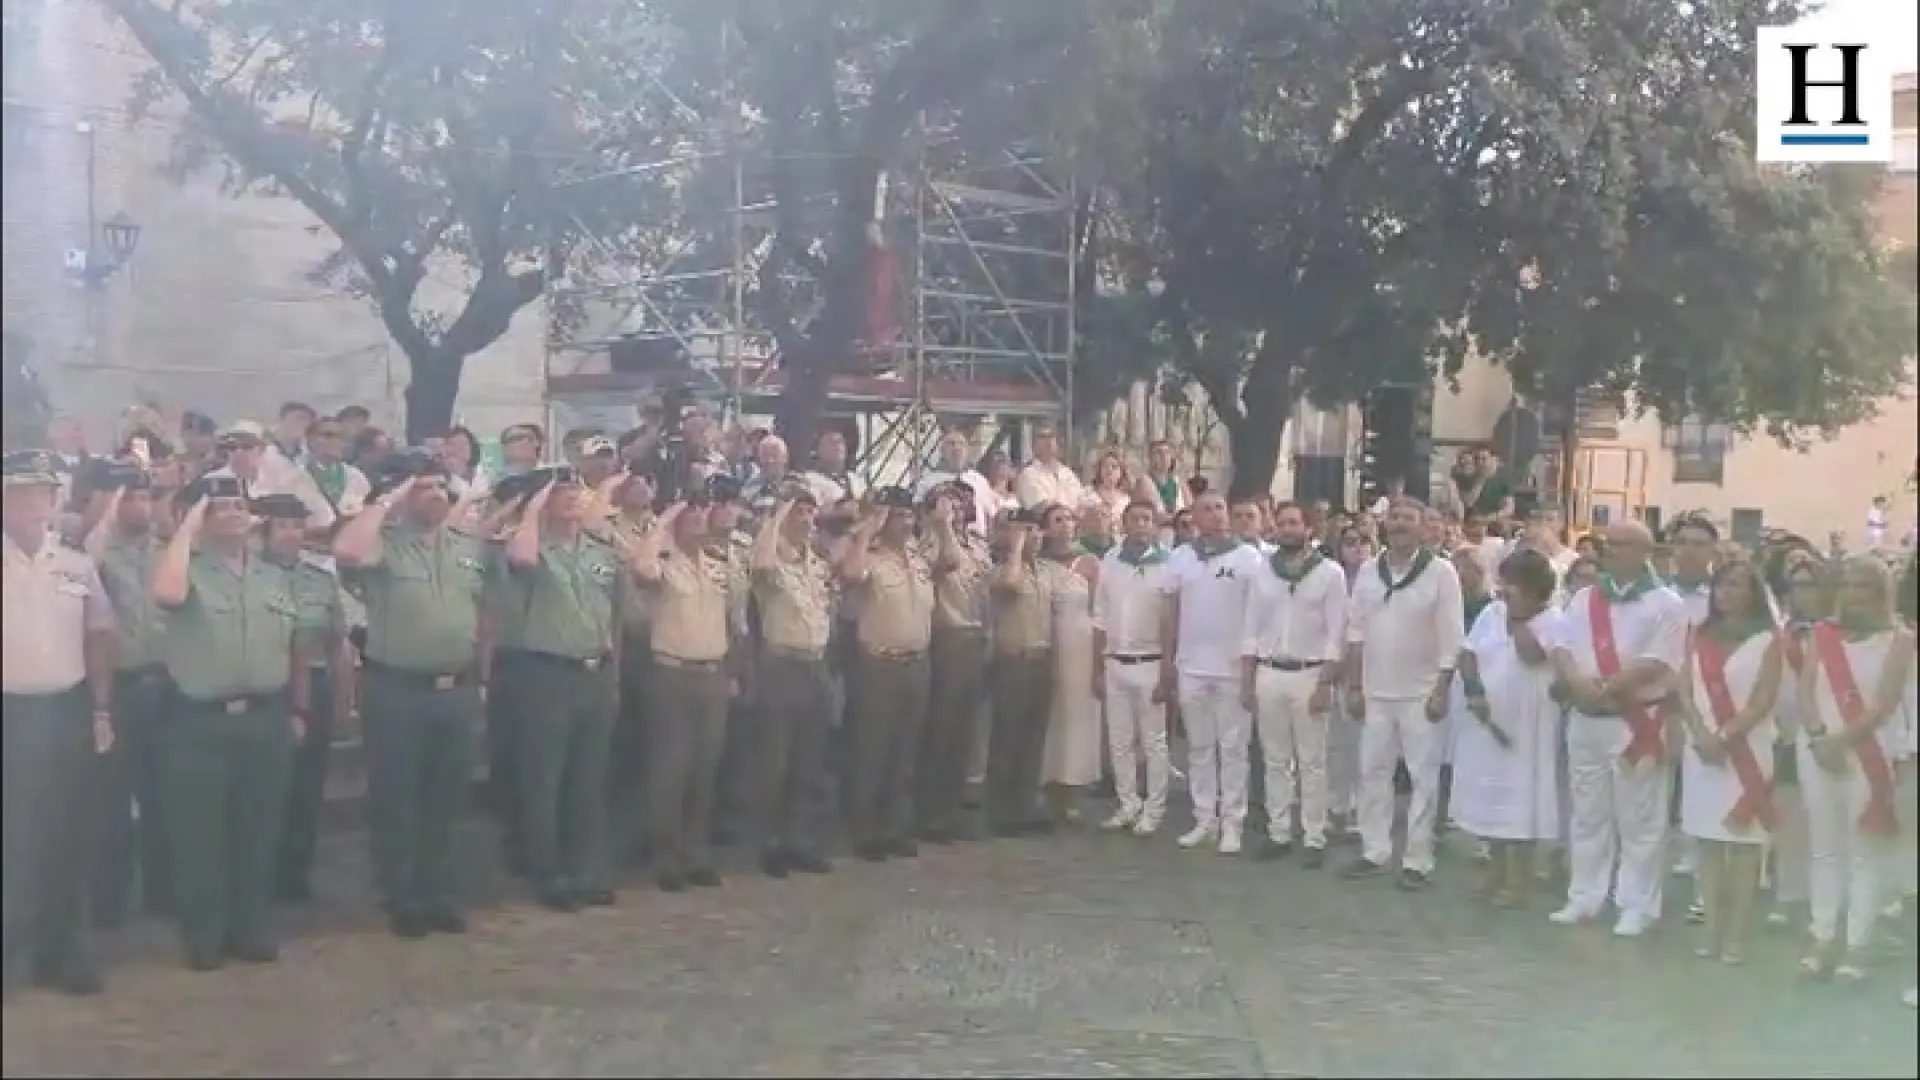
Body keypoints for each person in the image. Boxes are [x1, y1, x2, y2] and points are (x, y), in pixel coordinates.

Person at [149, 474, 321, 971]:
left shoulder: (274, 575)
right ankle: (203, 934)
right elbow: (166, 593)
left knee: (257, 829)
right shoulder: (187, 569)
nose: (232, 513)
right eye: (219, 506)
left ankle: (249, 927)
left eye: (238, 505)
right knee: (201, 834)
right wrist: (188, 527)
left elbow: (296, 647)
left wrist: (296, 707)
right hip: (200, 721)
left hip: (265, 715)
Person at [334, 460, 489, 938]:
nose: (437, 494)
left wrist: (481, 677)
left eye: (442, 486)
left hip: (455, 687)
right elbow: (347, 550)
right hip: (398, 688)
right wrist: (387, 500)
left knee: (446, 797)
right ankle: (402, 895)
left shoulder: (467, 547)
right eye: (424, 488)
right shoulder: (385, 546)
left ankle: (439, 892)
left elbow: (482, 614)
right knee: (398, 797)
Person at [2, 450, 116, 997]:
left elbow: (99, 633)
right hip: (9, 714)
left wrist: (100, 707)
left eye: (42, 493)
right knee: (12, 840)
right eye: (19, 493)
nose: (32, 504)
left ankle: (61, 951)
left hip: (67, 708)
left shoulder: (75, 562)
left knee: (68, 834)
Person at [1547, 520, 1688, 938]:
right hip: (1586, 719)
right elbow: (1562, 647)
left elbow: (1660, 661)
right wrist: (1577, 685)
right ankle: (1584, 895)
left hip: (1636, 720)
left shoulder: (1667, 604)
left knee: (1639, 818)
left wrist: (1608, 688)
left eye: (1621, 544)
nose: (1609, 551)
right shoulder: (1585, 597)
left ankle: (1637, 904)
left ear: (1645, 551)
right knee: (1588, 814)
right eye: (1609, 544)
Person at [501, 468, 624, 910]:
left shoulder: (600, 552)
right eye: (561, 492)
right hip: (548, 672)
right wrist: (533, 507)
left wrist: (615, 675)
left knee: (588, 779)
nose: (572, 498)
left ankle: (585, 869)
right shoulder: (534, 547)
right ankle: (547, 872)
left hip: (595, 672)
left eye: (576, 490)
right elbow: (520, 559)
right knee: (545, 779)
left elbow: (613, 617)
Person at [1793, 554, 1916, 981]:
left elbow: (1884, 703)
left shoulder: (1900, 639)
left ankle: (1857, 943)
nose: (1853, 593)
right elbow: (1806, 690)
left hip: (1868, 750)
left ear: (1882, 592)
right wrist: (1817, 736)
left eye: (1864, 585)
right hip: (1818, 746)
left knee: (1864, 851)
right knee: (1824, 847)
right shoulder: (1822, 634)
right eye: (1848, 583)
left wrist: (1841, 742)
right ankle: (1822, 934)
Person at [1343, 497, 1466, 890]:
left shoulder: (1441, 572)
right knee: (1371, 773)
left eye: (1408, 519)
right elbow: (1356, 631)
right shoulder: (1368, 570)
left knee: (1422, 778)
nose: (1399, 525)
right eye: (1394, 518)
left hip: (1420, 692)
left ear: (1424, 526)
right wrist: (1354, 684)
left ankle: (1417, 858)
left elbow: (1452, 637)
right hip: (1376, 690)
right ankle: (1374, 850)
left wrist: (1442, 688)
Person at [1673, 560, 1783, 965]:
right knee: (1707, 845)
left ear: (1754, 592)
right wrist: (1702, 734)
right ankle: (1711, 933)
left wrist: (1724, 735)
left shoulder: (1770, 639)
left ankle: (1736, 937)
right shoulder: (1697, 635)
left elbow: (1763, 699)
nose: (1726, 592)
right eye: (1721, 585)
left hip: (1747, 751)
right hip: (1702, 751)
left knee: (1744, 847)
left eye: (1736, 585)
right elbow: (1684, 689)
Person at [630, 479, 734, 892]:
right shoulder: (664, 562)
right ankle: (666, 855)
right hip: (672, 673)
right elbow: (641, 568)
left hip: (712, 672)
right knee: (669, 769)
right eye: (689, 516)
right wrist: (665, 519)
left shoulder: (715, 562)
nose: (697, 520)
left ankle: (696, 851)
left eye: (700, 514)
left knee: (704, 769)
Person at [83, 468, 174, 925]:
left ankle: (164, 891)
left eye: (146, 496)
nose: (141, 505)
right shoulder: (98, 553)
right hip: (118, 688)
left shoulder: (169, 551)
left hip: (167, 686)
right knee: (111, 801)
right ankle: (109, 902)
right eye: (130, 497)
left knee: (166, 795)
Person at [1453, 549, 1564, 909]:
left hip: (1528, 727)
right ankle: (1496, 874)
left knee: (1522, 803)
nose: (1504, 591)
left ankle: (1519, 883)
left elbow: (1531, 655)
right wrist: (1474, 691)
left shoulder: (1553, 620)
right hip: (1486, 722)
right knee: (1491, 802)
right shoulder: (1491, 612)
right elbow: (1467, 653)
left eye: (1513, 585)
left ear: (1534, 590)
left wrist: (1518, 618)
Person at [253, 495, 351, 905]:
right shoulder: (251, 577)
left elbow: (336, 644)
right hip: (269, 689)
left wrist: (346, 699)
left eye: (297, 525)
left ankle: (296, 872)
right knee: (264, 789)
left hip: (316, 685)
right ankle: (259, 873)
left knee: (307, 787)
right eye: (282, 526)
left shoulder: (320, 579)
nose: (291, 534)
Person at [1239, 500, 1347, 864]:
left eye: (1294, 523)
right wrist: (1247, 679)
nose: (1287, 529)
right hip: (1270, 671)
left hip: (1310, 672)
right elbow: (1250, 628)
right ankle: (1279, 831)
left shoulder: (1329, 573)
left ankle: (1315, 835)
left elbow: (1337, 634)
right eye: (1282, 523)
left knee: (1312, 761)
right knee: (1275, 758)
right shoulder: (1263, 572)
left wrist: (1326, 684)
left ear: (1308, 528)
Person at [1162, 492, 1265, 854]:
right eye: (1207, 509)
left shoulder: (1249, 559)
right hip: (1192, 666)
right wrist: (1169, 662)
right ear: (1194, 517)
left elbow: (1257, 616)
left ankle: (1232, 822)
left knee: (1234, 748)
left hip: (1232, 668)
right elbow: (1171, 612)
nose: (1216, 515)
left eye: (1221, 507)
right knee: (1199, 747)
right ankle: (1204, 817)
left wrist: (1251, 667)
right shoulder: (1181, 558)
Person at [837, 486, 935, 860]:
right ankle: (865, 831)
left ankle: (894, 826)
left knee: (903, 751)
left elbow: (950, 560)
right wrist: (867, 529)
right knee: (871, 750)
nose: (906, 522)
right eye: (898, 515)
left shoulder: (917, 557)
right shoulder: (870, 556)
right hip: (878, 663)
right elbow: (851, 573)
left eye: (910, 515)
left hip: (916, 662)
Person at [747, 483, 836, 877]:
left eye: (809, 512)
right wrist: (778, 514)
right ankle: (770, 843)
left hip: (814, 664)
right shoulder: (772, 559)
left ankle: (802, 840)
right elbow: (760, 564)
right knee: (775, 761)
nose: (806, 519)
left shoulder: (815, 562)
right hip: (780, 665)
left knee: (809, 760)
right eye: (799, 511)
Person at [1092, 500, 1174, 835]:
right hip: (1115, 660)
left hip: (1150, 661)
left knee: (1154, 741)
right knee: (1120, 739)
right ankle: (1128, 802)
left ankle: (1155, 807)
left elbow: (1171, 621)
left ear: (1155, 525)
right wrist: (1097, 666)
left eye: (1147, 519)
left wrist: (1168, 669)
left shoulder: (1167, 564)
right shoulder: (1110, 562)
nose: (1141, 525)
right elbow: (1099, 616)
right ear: (1124, 523)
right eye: (1135, 519)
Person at [920, 483, 991, 842]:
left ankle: (952, 807)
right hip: (946, 637)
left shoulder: (976, 545)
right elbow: (946, 564)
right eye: (950, 503)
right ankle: (931, 813)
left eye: (962, 503)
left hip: (974, 637)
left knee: (965, 731)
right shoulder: (929, 544)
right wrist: (942, 524)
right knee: (942, 729)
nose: (958, 509)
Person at [986, 509, 1055, 835]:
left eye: (1036, 531)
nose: (1034, 537)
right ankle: (1001, 810)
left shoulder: (1043, 571)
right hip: (1013, 660)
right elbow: (1009, 585)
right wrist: (1014, 546)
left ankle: (1025, 804)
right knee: (1007, 737)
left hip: (1041, 659)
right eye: (1027, 530)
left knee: (1032, 739)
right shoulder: (1002, 569)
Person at [1038, 502, 1102, 822]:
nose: (1064, 525)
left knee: (1076, 715)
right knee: (1050, 713)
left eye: (1069, 519)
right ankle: (1046, 783)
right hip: (1045, 639)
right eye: (1057, 520)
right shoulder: (1037, 563)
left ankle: (1072, 788)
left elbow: (1099, 609)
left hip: (1080, 642)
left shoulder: (1089, 562)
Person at [1014, 424, 1085, 511]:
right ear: (1034, 446)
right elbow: (1042, 508)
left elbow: (1083, 500)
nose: (1048, 441)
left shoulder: (1067, 473)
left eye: (1051, 436)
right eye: (1042, 437)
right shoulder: (1029, 474)